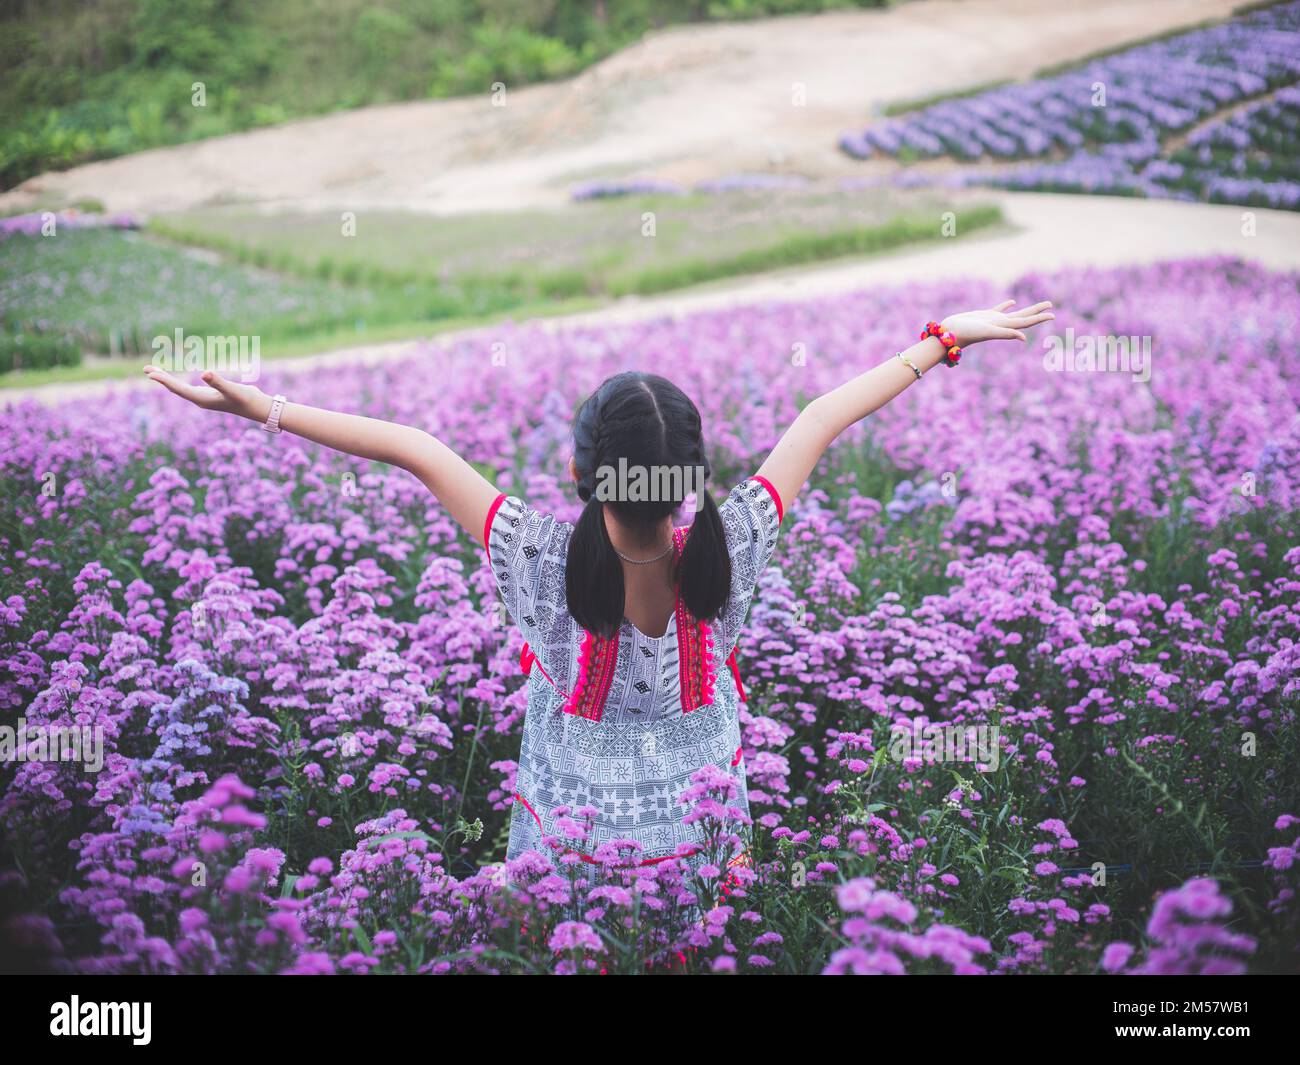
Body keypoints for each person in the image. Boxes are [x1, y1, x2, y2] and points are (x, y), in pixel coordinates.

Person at [143, 298, 1054, 878]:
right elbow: (820, 416)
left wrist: (258, 405)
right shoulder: (731, 545)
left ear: (583, 473)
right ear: (692, 474)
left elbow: (413, 447)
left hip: (573, 878)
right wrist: (938, 342)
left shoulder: (539, 562)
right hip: (706, 866)